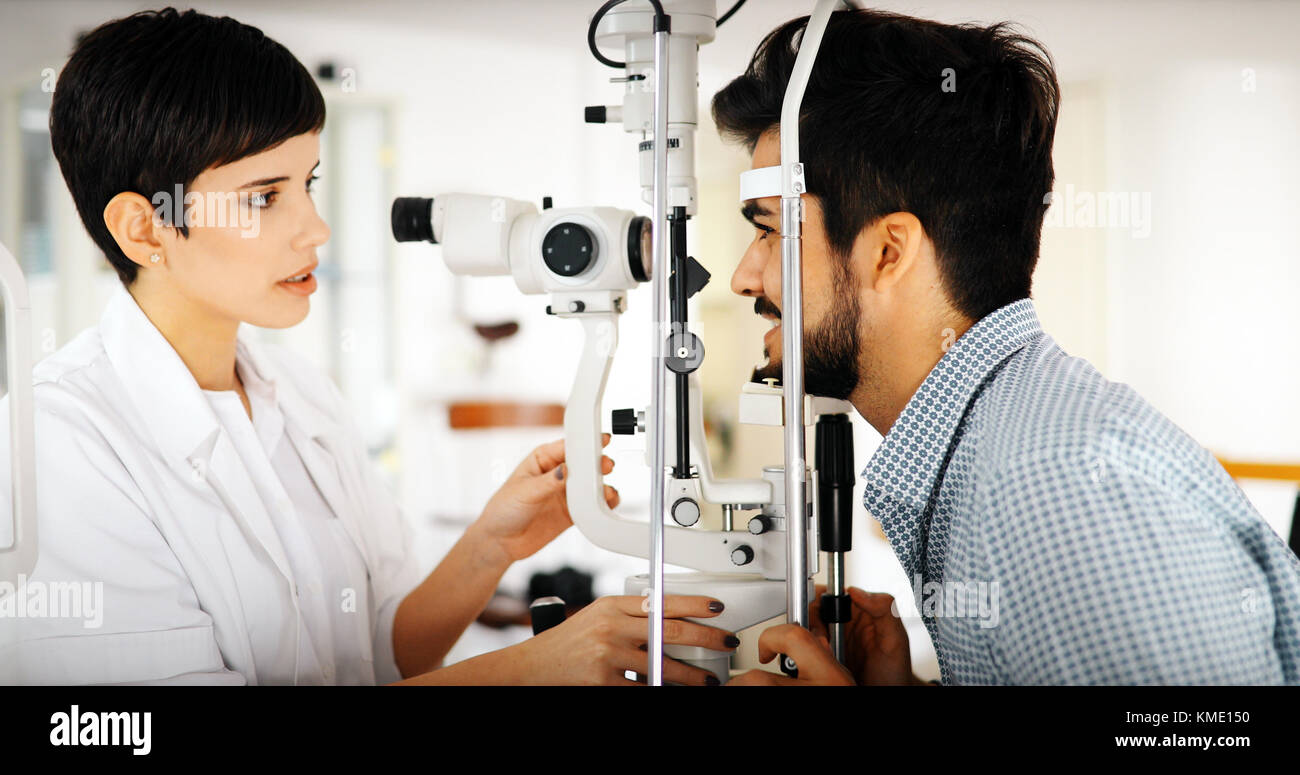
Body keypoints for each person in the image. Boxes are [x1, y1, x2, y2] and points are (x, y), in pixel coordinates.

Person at [0, 7, 735, 686]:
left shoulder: (300, 392)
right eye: (264, 196)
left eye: (308, 184)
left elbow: (381, 654)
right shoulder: (57, 444)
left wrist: (490, 544)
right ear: (144, 228)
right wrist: (525, 671)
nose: (315, 229)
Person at [714, 8, 1300, 685]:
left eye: (769, 232)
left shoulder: (1049, 488)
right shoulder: (1000, 448)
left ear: (888, 251)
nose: (743, 277)